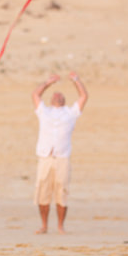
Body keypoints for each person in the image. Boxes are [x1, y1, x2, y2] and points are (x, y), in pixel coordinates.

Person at [31, 72, 88, 234]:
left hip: (62, 157)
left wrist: (76, 80)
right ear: (50, 100)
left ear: (64, 101)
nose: (57, 96)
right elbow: (35, 94)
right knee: (42, 191)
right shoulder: (44, 112)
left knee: (61, 191)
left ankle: (60, 226)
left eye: (60, 95)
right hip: (45, 157)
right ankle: (44, 225)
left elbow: (83, 96)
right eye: (54, 95)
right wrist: (48, 83)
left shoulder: (70, 113)